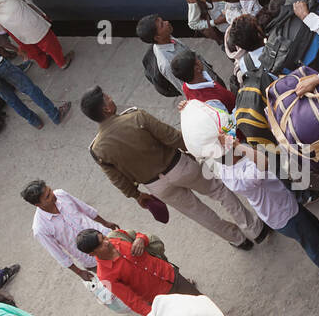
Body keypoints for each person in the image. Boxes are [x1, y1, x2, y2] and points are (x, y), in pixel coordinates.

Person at [177, 103, 319, 283]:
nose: (233, 137)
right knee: (313, 243)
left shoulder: (223, 161)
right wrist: (238, 146)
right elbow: (264, 163)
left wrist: (191, 110)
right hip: (284, 214)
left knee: (314, 226)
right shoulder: (238, 176)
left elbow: (213, 128)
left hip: (285, 205)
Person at [83, 86, 262, 249]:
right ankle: (255, 229)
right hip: (180, 166)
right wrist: (196, 150)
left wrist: (137, 195)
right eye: (107, 98)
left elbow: (118, 180)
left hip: (156, 186)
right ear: (106, 109)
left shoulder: (97, 149)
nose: (111, 98)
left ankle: (238, 239)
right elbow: (172, 137)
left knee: (198, 213)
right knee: (219, 191)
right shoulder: (136, 117)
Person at [78, 227, 202, 315]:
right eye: (101, 244)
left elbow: (139, 235)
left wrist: (141, 239)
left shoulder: (116, 236)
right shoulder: (105, 275)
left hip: (172, 275)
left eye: (104, 237)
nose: (107, 242)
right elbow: (131, 300)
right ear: (92, 253)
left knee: (204, 305)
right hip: (163, 299)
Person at [23, 179, 118, 282]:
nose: (53, 195)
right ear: (38, 205)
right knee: (118, 281)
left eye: (50, 190)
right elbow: (58, 254)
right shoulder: (40, 228)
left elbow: (86, 209)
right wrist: (79, 272)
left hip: (107, 238)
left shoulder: (61, 194)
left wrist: (105, 223)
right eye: (47, 197)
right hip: (92, 260)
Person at [170, 49, 237, 109]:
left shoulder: (186, 86)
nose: (200, 60)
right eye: (198, 59)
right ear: (197, 68)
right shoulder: (211, 103)